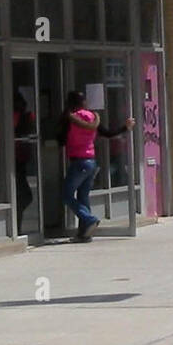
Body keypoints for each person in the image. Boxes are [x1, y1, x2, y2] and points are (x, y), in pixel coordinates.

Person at [58, 91, 135, 241]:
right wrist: (125, 127)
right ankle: (84, 234)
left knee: (66, 195)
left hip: (78, 161)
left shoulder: (69, 119)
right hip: (91, 161)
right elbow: (108, 133)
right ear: (84, 102)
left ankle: (88, 219)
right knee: (83, 197)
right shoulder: (93, 117)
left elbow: (60, 138)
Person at [13, 90, 36, 233]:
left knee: (24, 196)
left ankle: (17, 226)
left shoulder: (25, 116)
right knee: (24, 195)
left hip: (20, 158)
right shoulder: (13, 116)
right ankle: (16, 227)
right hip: (13, 159)